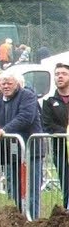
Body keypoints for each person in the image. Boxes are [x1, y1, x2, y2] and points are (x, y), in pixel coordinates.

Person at [0, 69, 43, 217]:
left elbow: (26, 117)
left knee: (30, 189)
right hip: (10, 153)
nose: (6, 86)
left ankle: (31, 220)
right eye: (3, 83)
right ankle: (21, 217)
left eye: (9, 83)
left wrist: (5, 130)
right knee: (14, 189)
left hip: (30, 150)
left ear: (17, 84)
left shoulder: (27, 96)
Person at [40, 62, 69, 211]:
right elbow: (47, 125)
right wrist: (66, 131)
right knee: (66, 185)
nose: (60, 77)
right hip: (61, 150)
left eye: (63, 74)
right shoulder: (49, 100)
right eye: (57, 74)